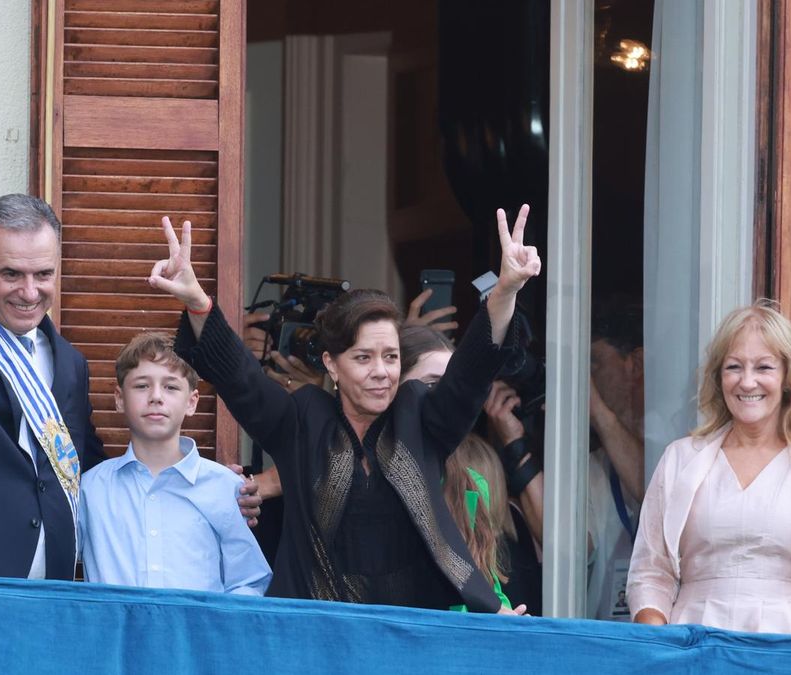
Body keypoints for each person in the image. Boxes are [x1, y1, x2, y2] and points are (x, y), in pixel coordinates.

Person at [0, 195, 259, 579]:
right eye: (11, 274)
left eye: (43, 274)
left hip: (48, 597)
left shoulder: (70, 363)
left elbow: (83, 468)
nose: (29, 291)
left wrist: (203, 483)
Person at [149, 205, 542, 613]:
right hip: (317, 635)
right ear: (332, 365)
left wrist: (506, 291)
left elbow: (470, 374)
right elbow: (242, 379)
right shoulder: (303, 421)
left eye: (390, 357)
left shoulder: (420, 418)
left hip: (410, 633)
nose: (381, 372)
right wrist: (197, 301)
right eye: (363, 358)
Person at [628, 301, 791, 640]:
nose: (747, 382)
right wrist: (655, 644)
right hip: (692, 645)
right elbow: (651, 570)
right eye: (734, 367)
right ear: (719, 377)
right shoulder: (680, 458)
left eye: (764, 367)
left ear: (788, 376)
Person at [483, 301, 645, 621]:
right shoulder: (594, 464)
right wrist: (514, 441)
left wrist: (596, 410)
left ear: (636, 363)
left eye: (594, 363)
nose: (587, 377)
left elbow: (651, 490)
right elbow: (566, 546)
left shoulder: (673, 436)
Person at [79, 333, 271, 595]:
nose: (156, 397)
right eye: (141, 386)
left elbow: (249, 580)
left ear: (191, 402)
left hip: (198, 635)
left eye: (170, 387)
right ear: (119, 398)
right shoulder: (90, 489)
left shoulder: (225, 487)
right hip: (114, 635)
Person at [398, 324, 516, 612]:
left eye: (452, 386)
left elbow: (487, 582)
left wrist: (507, 616)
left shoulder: (472, 482)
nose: (446, 398)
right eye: (432, 385)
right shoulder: (370, 470)